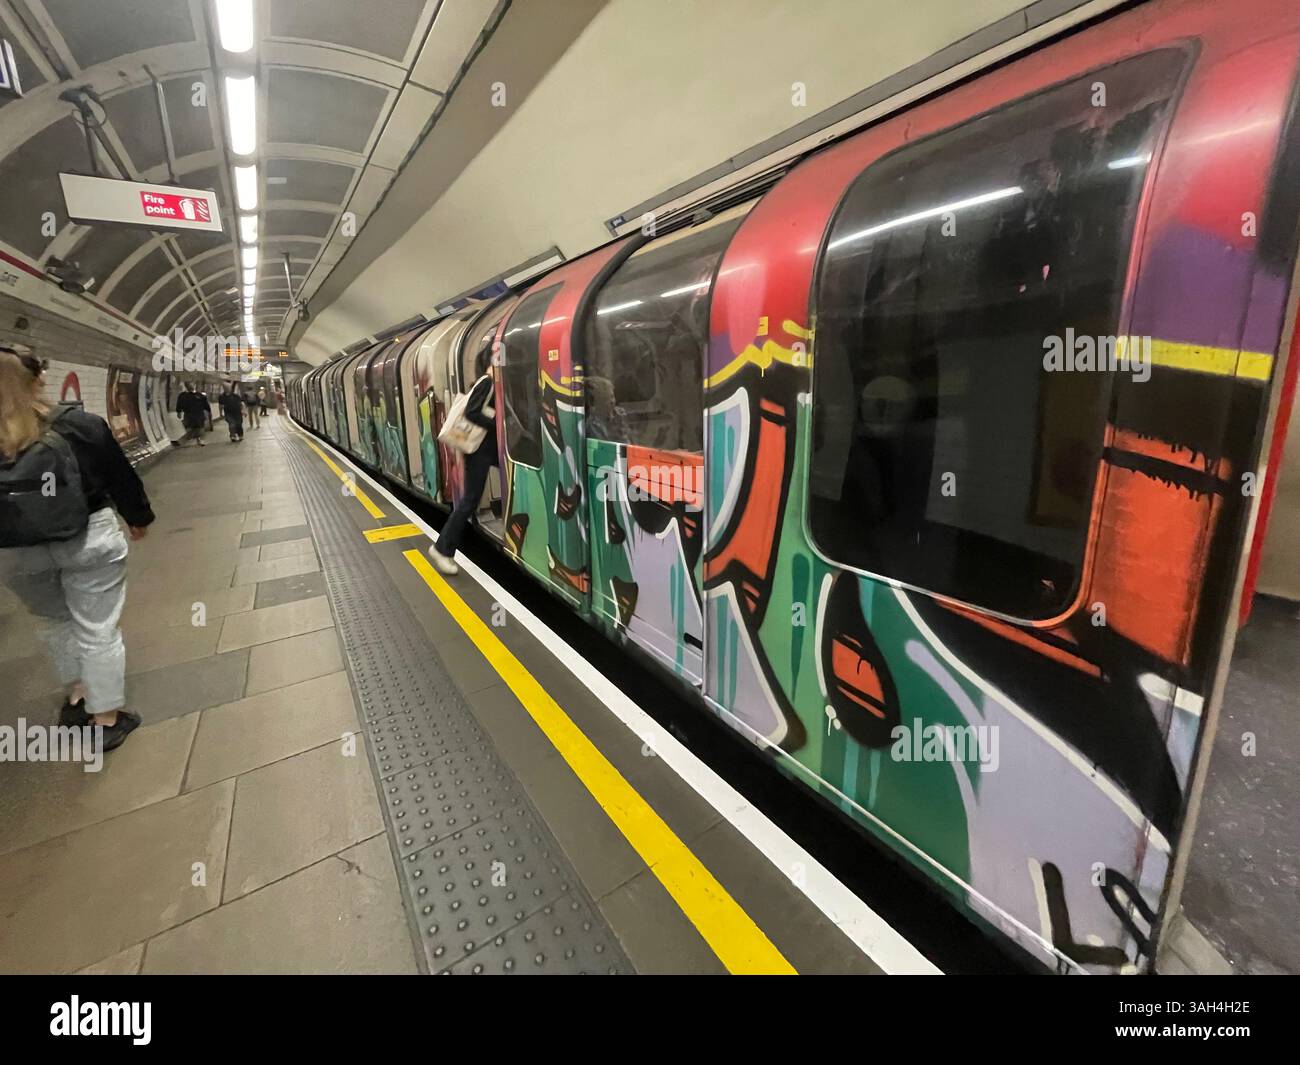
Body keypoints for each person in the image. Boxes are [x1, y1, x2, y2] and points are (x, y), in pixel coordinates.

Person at [0, 347, 154, 751]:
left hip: (17, 552)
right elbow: (120, 476)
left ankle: (79, 697)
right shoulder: (79, 425)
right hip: (89, 538)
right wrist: (138, 518)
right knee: (97, 628)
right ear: (37, 380)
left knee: (55, 624)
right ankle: (106, 719)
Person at [428, 348, 497, 576]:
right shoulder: (487, 382)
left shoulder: (490, 382)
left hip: (485, 450)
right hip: (478, 451)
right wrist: (498, 422)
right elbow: (472, 413)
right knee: (469, 501)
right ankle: (442, 548)